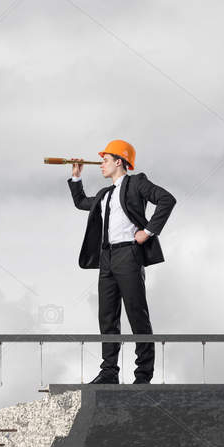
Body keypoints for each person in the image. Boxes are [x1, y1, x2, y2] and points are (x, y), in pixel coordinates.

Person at [68, 139, 176, 384]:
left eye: (104, 160)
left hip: (129, 254)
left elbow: (167, 199)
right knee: (107, 317)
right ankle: (109, 372)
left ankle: (143, 374)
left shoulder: (137, 182)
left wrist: (148, 232)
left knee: (137, 313)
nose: (101, 165)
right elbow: (81, 202)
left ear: (119, 161)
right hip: (107, 257)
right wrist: (76, 177)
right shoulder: (105, 194)